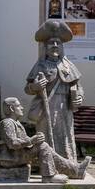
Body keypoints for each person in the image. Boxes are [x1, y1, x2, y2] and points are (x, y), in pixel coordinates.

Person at [25, 19, 84, 165]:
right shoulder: (40, 65)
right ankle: (44, 164)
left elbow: (78, 86)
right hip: (46, 108)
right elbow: (27, 88)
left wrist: (79, 97)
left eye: (58, 43)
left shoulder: (68, 65)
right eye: (52, 43)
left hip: (64, 108)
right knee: (45, 135)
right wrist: (35, 86)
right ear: (46, 46)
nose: (55, 46)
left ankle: (67, 163)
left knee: (64, 136)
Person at [0, 97, 90, 181]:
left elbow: (21, 141)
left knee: (45, 147)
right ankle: (50, 176)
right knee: (43, 147)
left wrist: (34, 139)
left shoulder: (15, 122)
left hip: (17, 154)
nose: (22, 107)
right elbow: (12, 143)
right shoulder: (7, 123)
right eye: (18, 105)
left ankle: (76, 170)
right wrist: (31, 141)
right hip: (11, 158)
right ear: (11, 108)